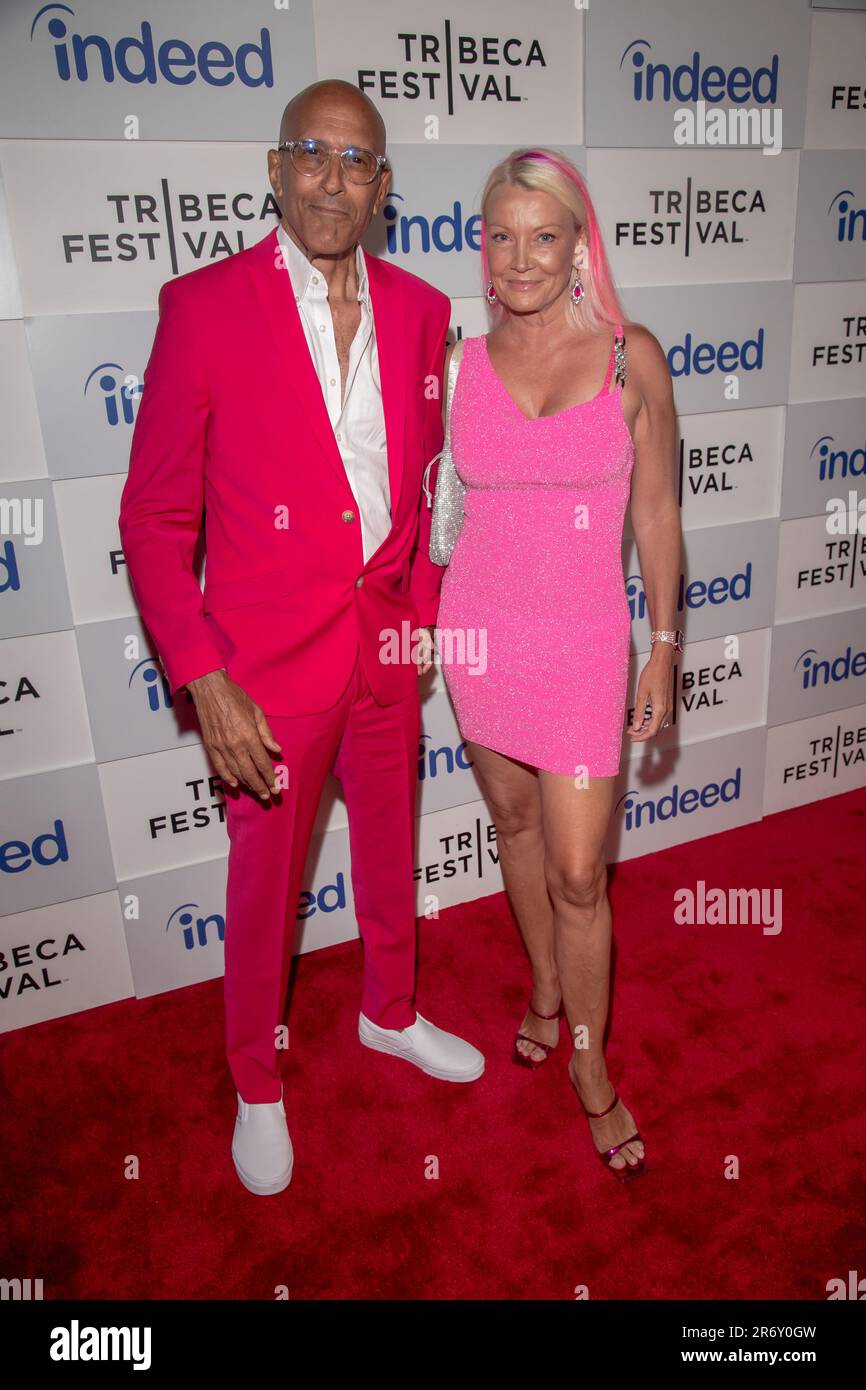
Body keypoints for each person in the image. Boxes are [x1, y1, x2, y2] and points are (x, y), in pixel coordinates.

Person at [118, 79, 484, 1198]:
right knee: (264, 886)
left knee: (388, 844)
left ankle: (389, 1010)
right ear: (274, 171)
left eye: (358, 160)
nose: (334, 177)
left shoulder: (424, 312)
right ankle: (256, 1081)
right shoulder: (203, 307)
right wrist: (203, 672)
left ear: (382, 187)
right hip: (263, 669)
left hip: (382, 646)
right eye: (311, 154)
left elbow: (429, 488)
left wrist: (418, 617)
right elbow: (154, 514)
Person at [433, 148, 682, 1182]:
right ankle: (541, 989)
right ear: (479, 246)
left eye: (543, 234)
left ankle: (588, 1061)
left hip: (582, 645)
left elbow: (658, 512)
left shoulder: (632, 358)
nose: (520, 256)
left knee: (581, 870)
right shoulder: (453, 364)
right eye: (501, 235)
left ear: (578, 242)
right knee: (517, 827)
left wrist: (663, 644)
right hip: (478, 641)